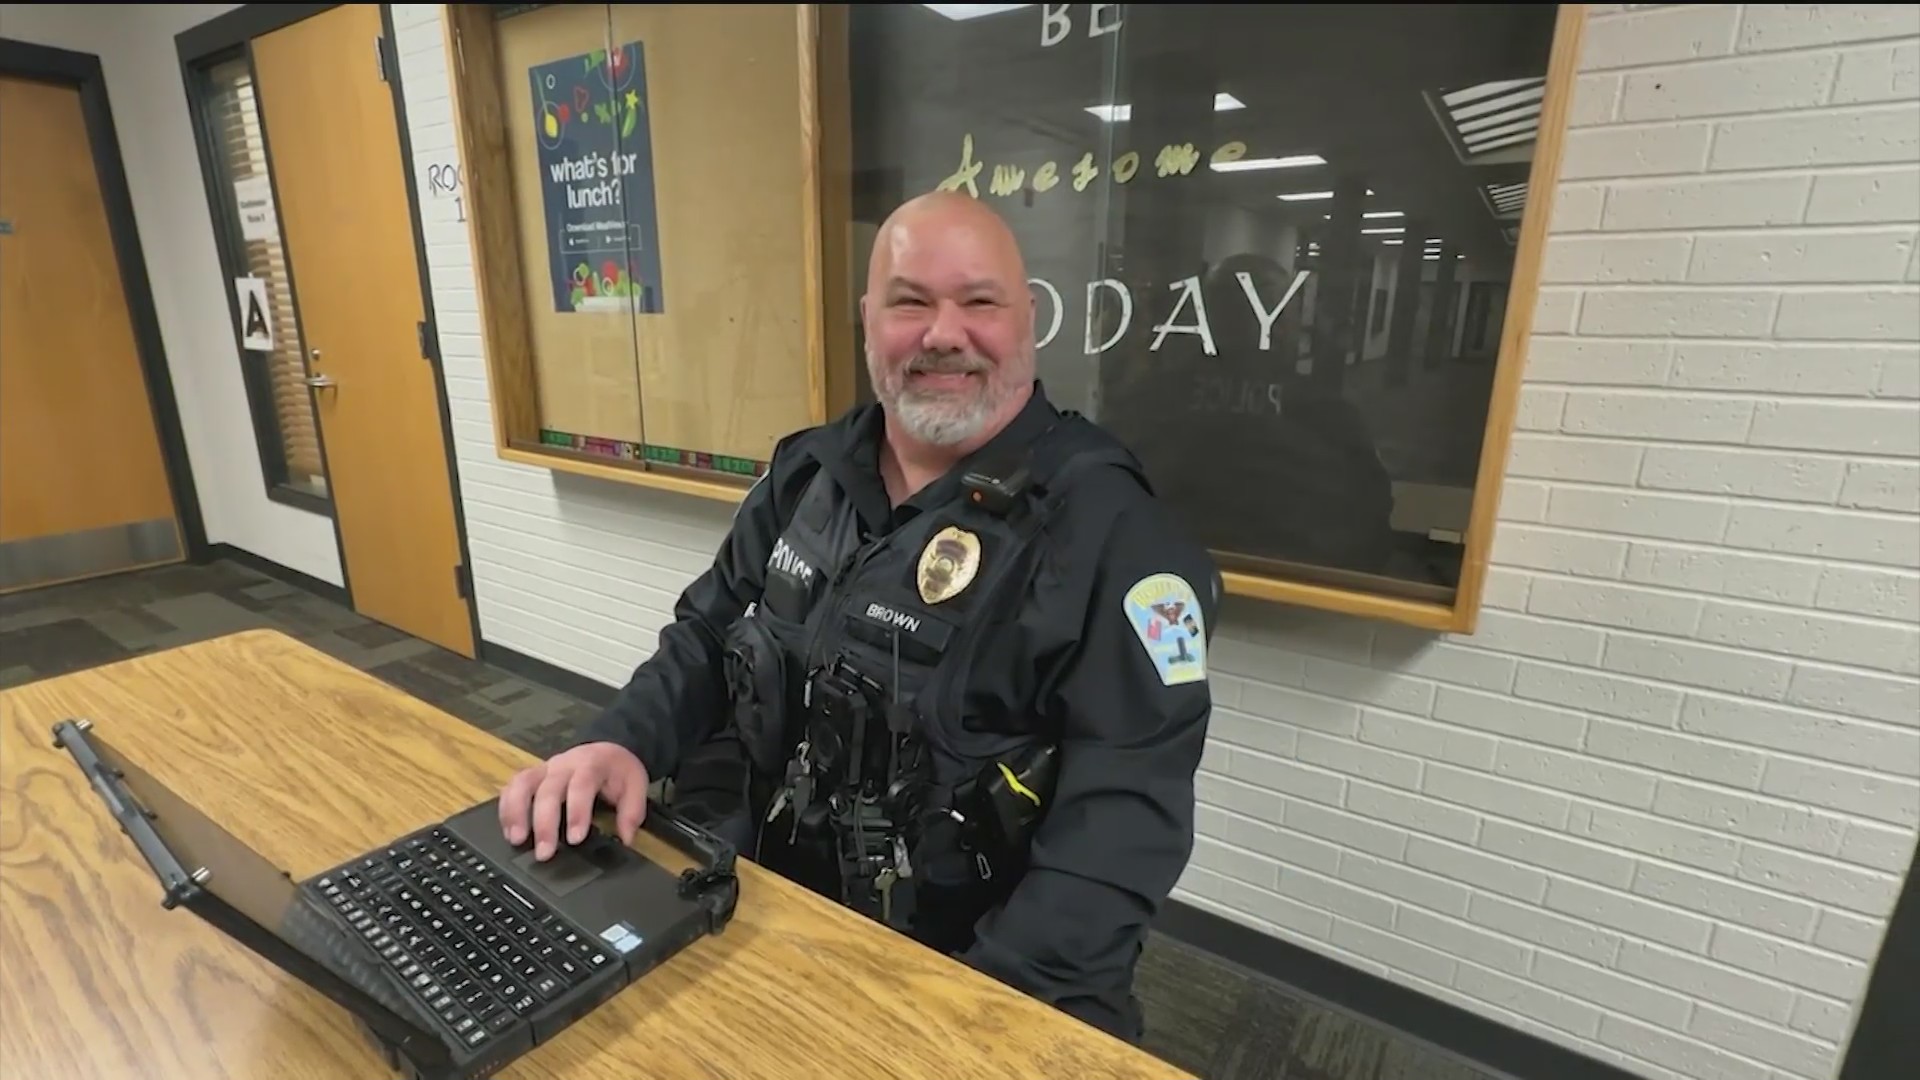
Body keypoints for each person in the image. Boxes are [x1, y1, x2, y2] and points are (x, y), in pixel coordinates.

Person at [497, 190, 1219, 1043]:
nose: (944, 332)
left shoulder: (1115, 533)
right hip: (771, 924)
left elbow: (1124, 823)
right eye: (911, 300)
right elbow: (706, 632)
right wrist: (621, 740)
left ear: (1028, 320)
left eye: (979, 301)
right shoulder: (810, 473)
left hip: (981, 987)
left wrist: (964, 1022)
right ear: (869, 319)